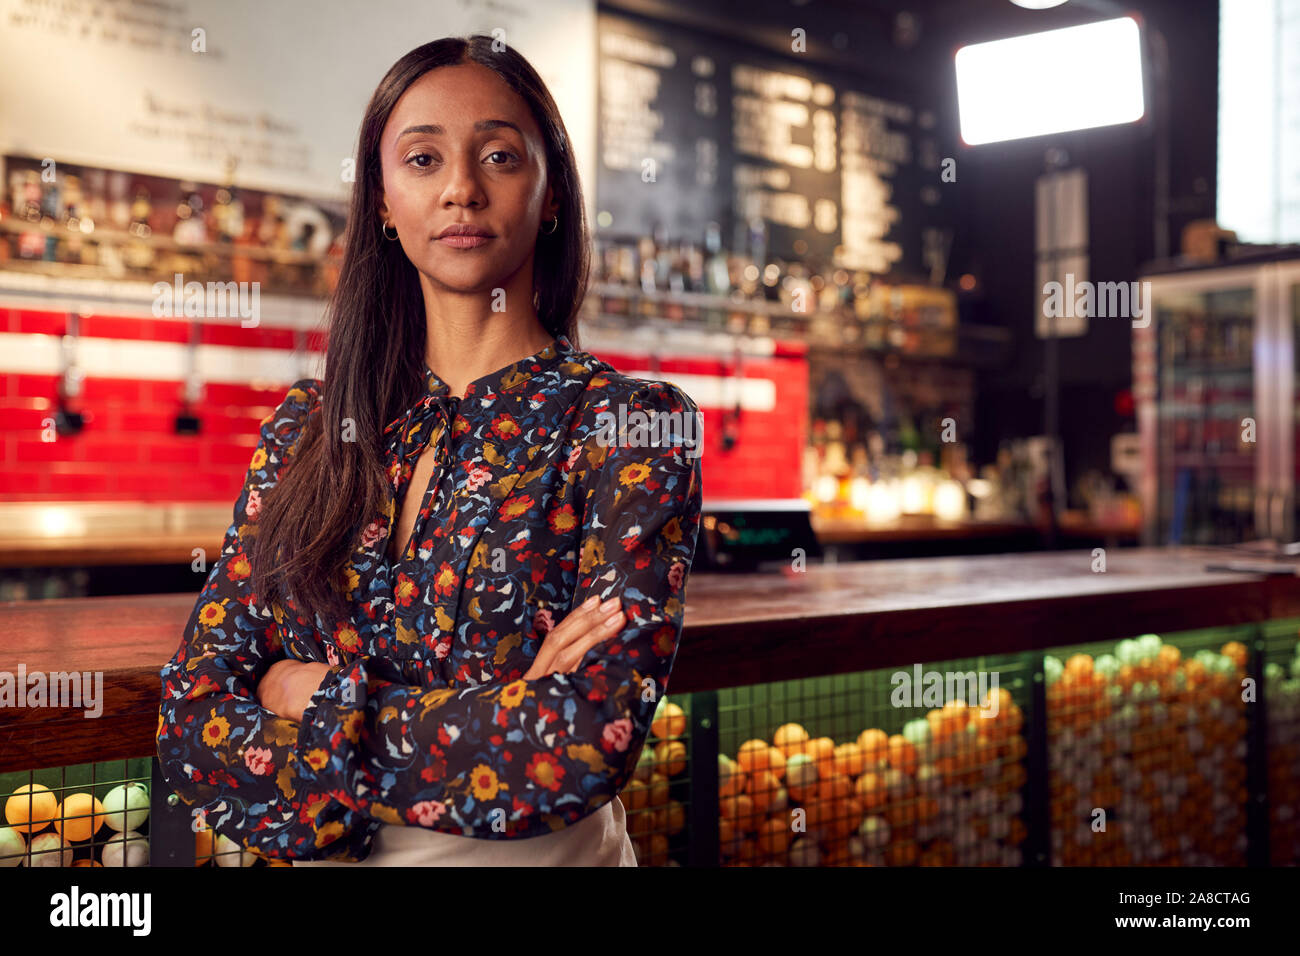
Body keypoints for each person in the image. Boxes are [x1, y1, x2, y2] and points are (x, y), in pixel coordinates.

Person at [156, 35, 704, 866]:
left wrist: (298, 694)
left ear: (550, 193)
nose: (461, 189)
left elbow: (580, 744)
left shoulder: (632, 428)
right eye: (422, 158)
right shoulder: (307, 431)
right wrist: (498, 710)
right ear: (381, 200)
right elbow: (191, 723)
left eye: (498, 155)